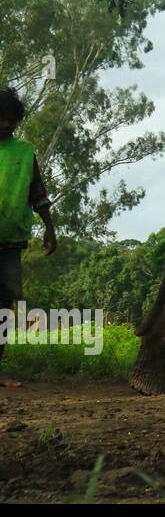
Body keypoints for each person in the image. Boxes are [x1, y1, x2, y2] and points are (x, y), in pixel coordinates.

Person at [0, 87, 57, 388]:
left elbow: (38, 194)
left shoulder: (24, 152)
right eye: (3, 118)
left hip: (10, 243)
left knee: (5, 304)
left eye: (13, 120)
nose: (8, 125)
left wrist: (50, 228)